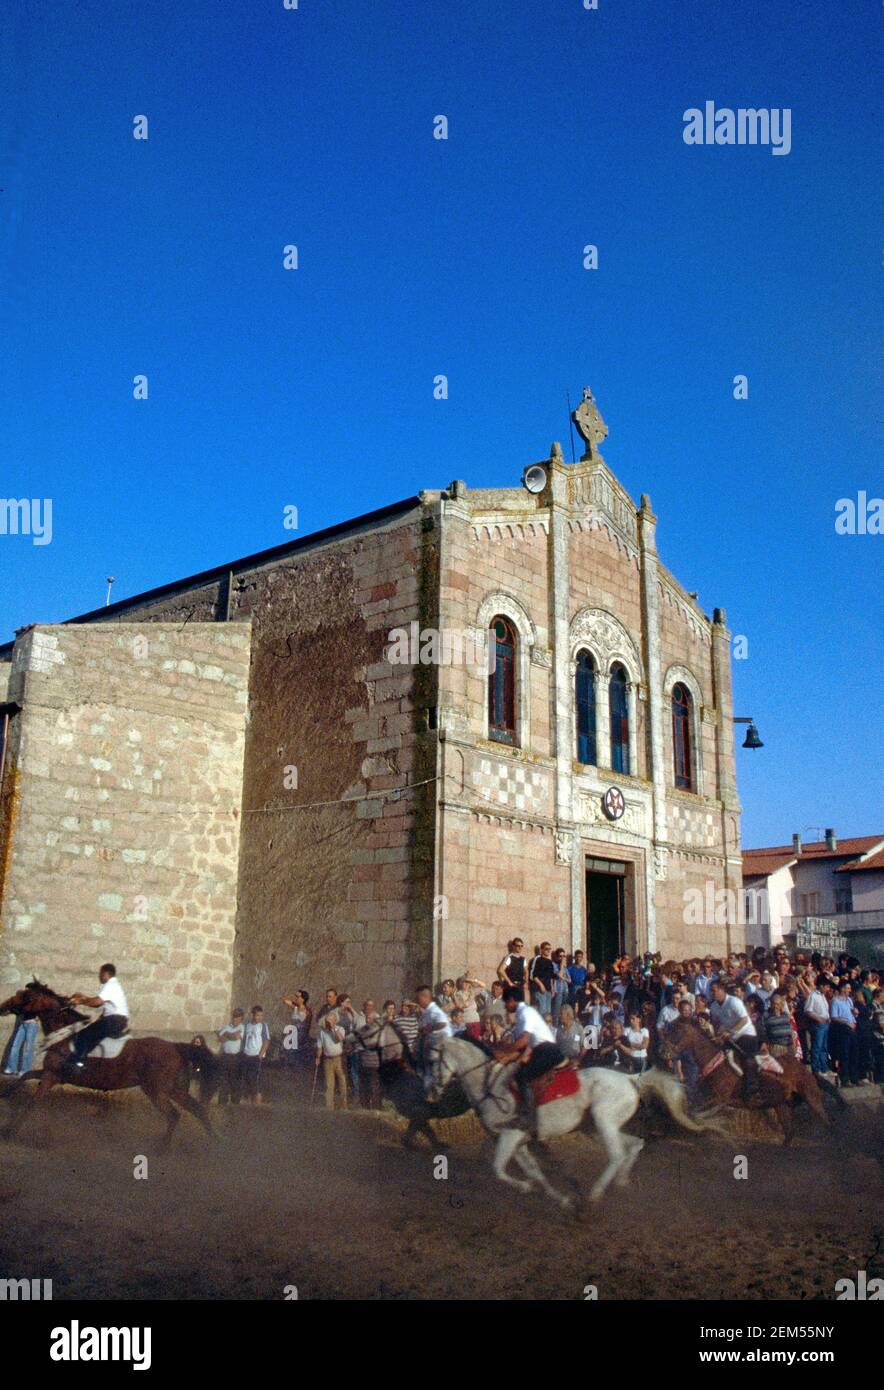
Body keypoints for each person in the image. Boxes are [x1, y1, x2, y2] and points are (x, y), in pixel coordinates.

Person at [500, 987, 564, 1131]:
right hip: (540, 1050)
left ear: (511, 1000)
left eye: (506, 1003)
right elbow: (523, 1047)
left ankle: (529, 1118)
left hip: (548, 1051)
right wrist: (507, 1057)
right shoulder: (522, 1015)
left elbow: (523, 1041)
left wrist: (503, 1052)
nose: (505, 1006)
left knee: (522, 1076)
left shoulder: (525, 1013)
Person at [68, 963, 129, 1069]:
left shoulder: (111, 985)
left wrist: (81, 1001)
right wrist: (83, 997)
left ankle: (78, 1063)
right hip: (115, 1019)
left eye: (100, 974)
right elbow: (99, 1003)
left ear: (106, 973)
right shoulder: (111, 985)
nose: (99, 976)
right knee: (94, 1034)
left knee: (84, 1034)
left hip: (115, 1019)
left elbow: (97, 1002)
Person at [709, 981, 759, 1100]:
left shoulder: (734, 1001)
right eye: (711, 991)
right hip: (729, 1038)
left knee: (746, 1060)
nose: (712, 993)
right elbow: (716, 1023)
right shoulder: (713, 1006)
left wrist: (730, 1031)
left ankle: (751, 1089)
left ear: (722, 990)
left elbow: (744, 1020)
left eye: (714, 990)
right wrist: (717, 1036)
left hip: (746, 1034)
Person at [410, 985, 453, 1093]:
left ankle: (433, 1094)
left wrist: (427, 1029)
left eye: (418, 998)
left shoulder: (434, 1010)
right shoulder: (427, 1012)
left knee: (431, 1071)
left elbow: (442, 1023)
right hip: (430, 1046)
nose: (416, 1000)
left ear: (425, 997)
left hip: (440, 1046)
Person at [315, 1011, 347, 1110]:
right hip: (327, 1059)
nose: (327, 1023)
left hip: (339, 1058)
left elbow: (339, 1039)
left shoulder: (340, 1029)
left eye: (329, 1021)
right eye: (326, 1021)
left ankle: (343, 1105)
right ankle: (329, 1106)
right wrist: (318, 1058)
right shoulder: (322, 1032)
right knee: (329, 1084)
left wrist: (333, 1027)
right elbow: (320, 1046)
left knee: (342, 1082)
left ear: (334, 1021)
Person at [829, 981, 859, 1087]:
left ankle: (854, 1077)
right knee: (844, 1054)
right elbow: (834, 1017)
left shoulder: (849, 1000)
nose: (849, 990)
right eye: (847, 988)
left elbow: (851, 1013)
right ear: (842, 989)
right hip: (842, 1029)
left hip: (852, 1028)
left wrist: (855, 1013)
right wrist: (846, 1023)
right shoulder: (835, 1001)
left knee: (854, 1053)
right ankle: (845, 1079)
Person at [240, 1004, 270, 1104]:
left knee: (256, 1081)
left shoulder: (263, 1026)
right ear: (252, 1015)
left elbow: (266, 1041)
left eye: (261, 1015)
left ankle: (257, 1104)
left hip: (257, 1056)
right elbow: (244, 1040)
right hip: (247, 1055)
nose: (259, 1018)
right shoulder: (247, 1025)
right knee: (247, 1078)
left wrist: (260, 1055)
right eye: (257, 1015)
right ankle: (249, 1101)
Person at [803, 975, 831, 1076]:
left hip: (826, 1023)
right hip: (818, 1024)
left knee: (824, 1046)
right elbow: (807, 1010)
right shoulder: (813, 995)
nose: (828, 989)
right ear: (821, 986)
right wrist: (818, 1018)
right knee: (817, 1046)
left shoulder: (823, 996)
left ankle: (824, 1068)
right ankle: (816, 1069)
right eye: (827, 986)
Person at [217, 1007, 244, 1104]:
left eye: (238, 1017)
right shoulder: (227, 1027)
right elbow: (220, 1038)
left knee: (234, 1079)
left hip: (235, 1057)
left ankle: (235, 1100)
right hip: (225, 1056)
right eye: (235, 1017)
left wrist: (226, 1035)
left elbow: (235, 1037)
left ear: (241, 1018)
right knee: (224, 1079)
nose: (236, 1019)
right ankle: (223, 1101)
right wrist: (229, 1035)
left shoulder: (241, 1027)